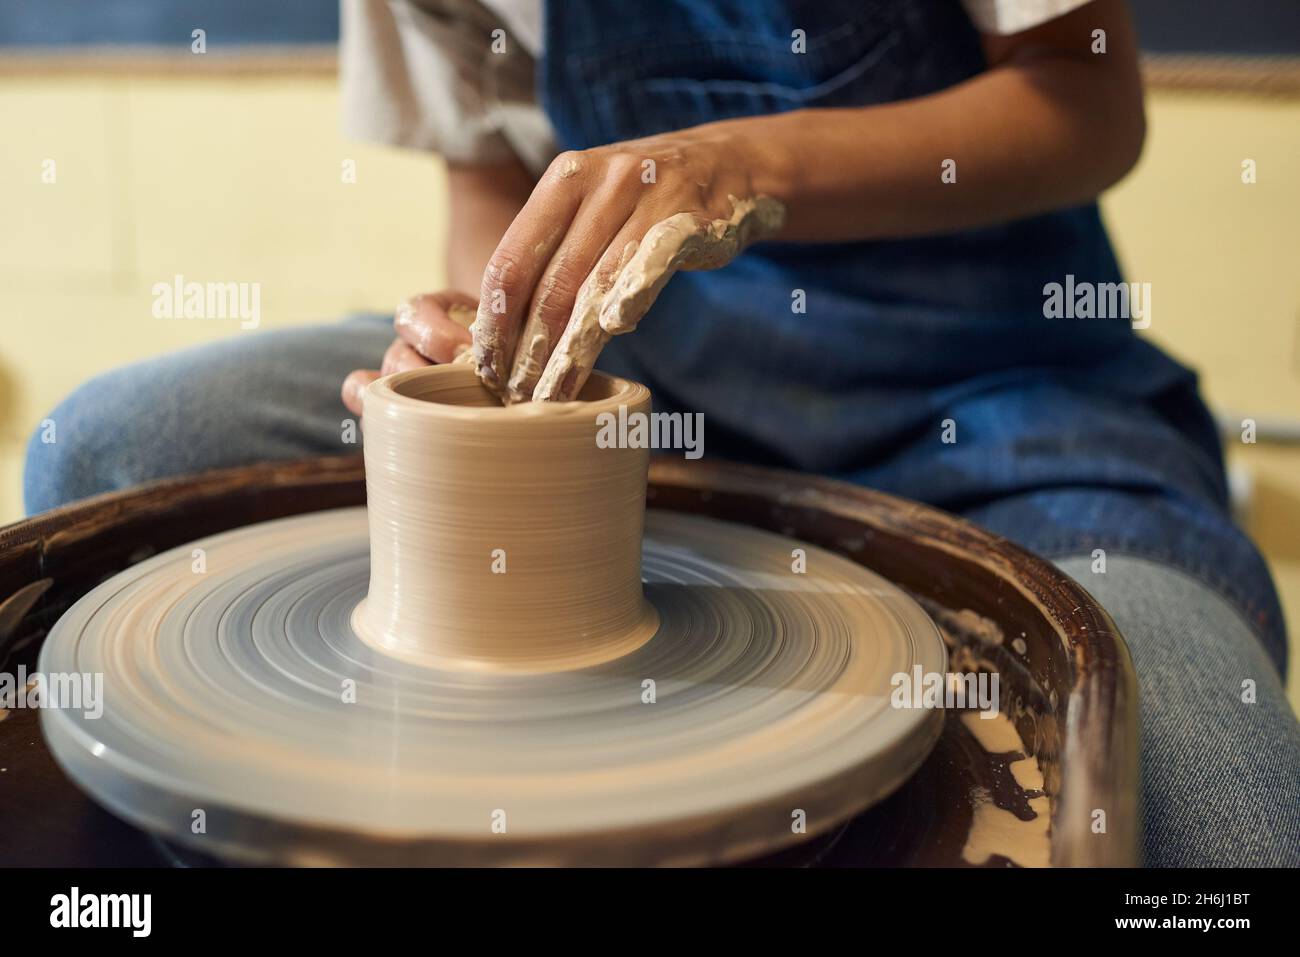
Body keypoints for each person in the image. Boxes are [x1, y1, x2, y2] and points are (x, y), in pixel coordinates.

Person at [24, 0, 1299, 865]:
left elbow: (1087, 104)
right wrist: (486, 356)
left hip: (1003, 400)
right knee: (113, 446)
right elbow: (491, 194)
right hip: (638, 389)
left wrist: (746, 164)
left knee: (1205, 791)